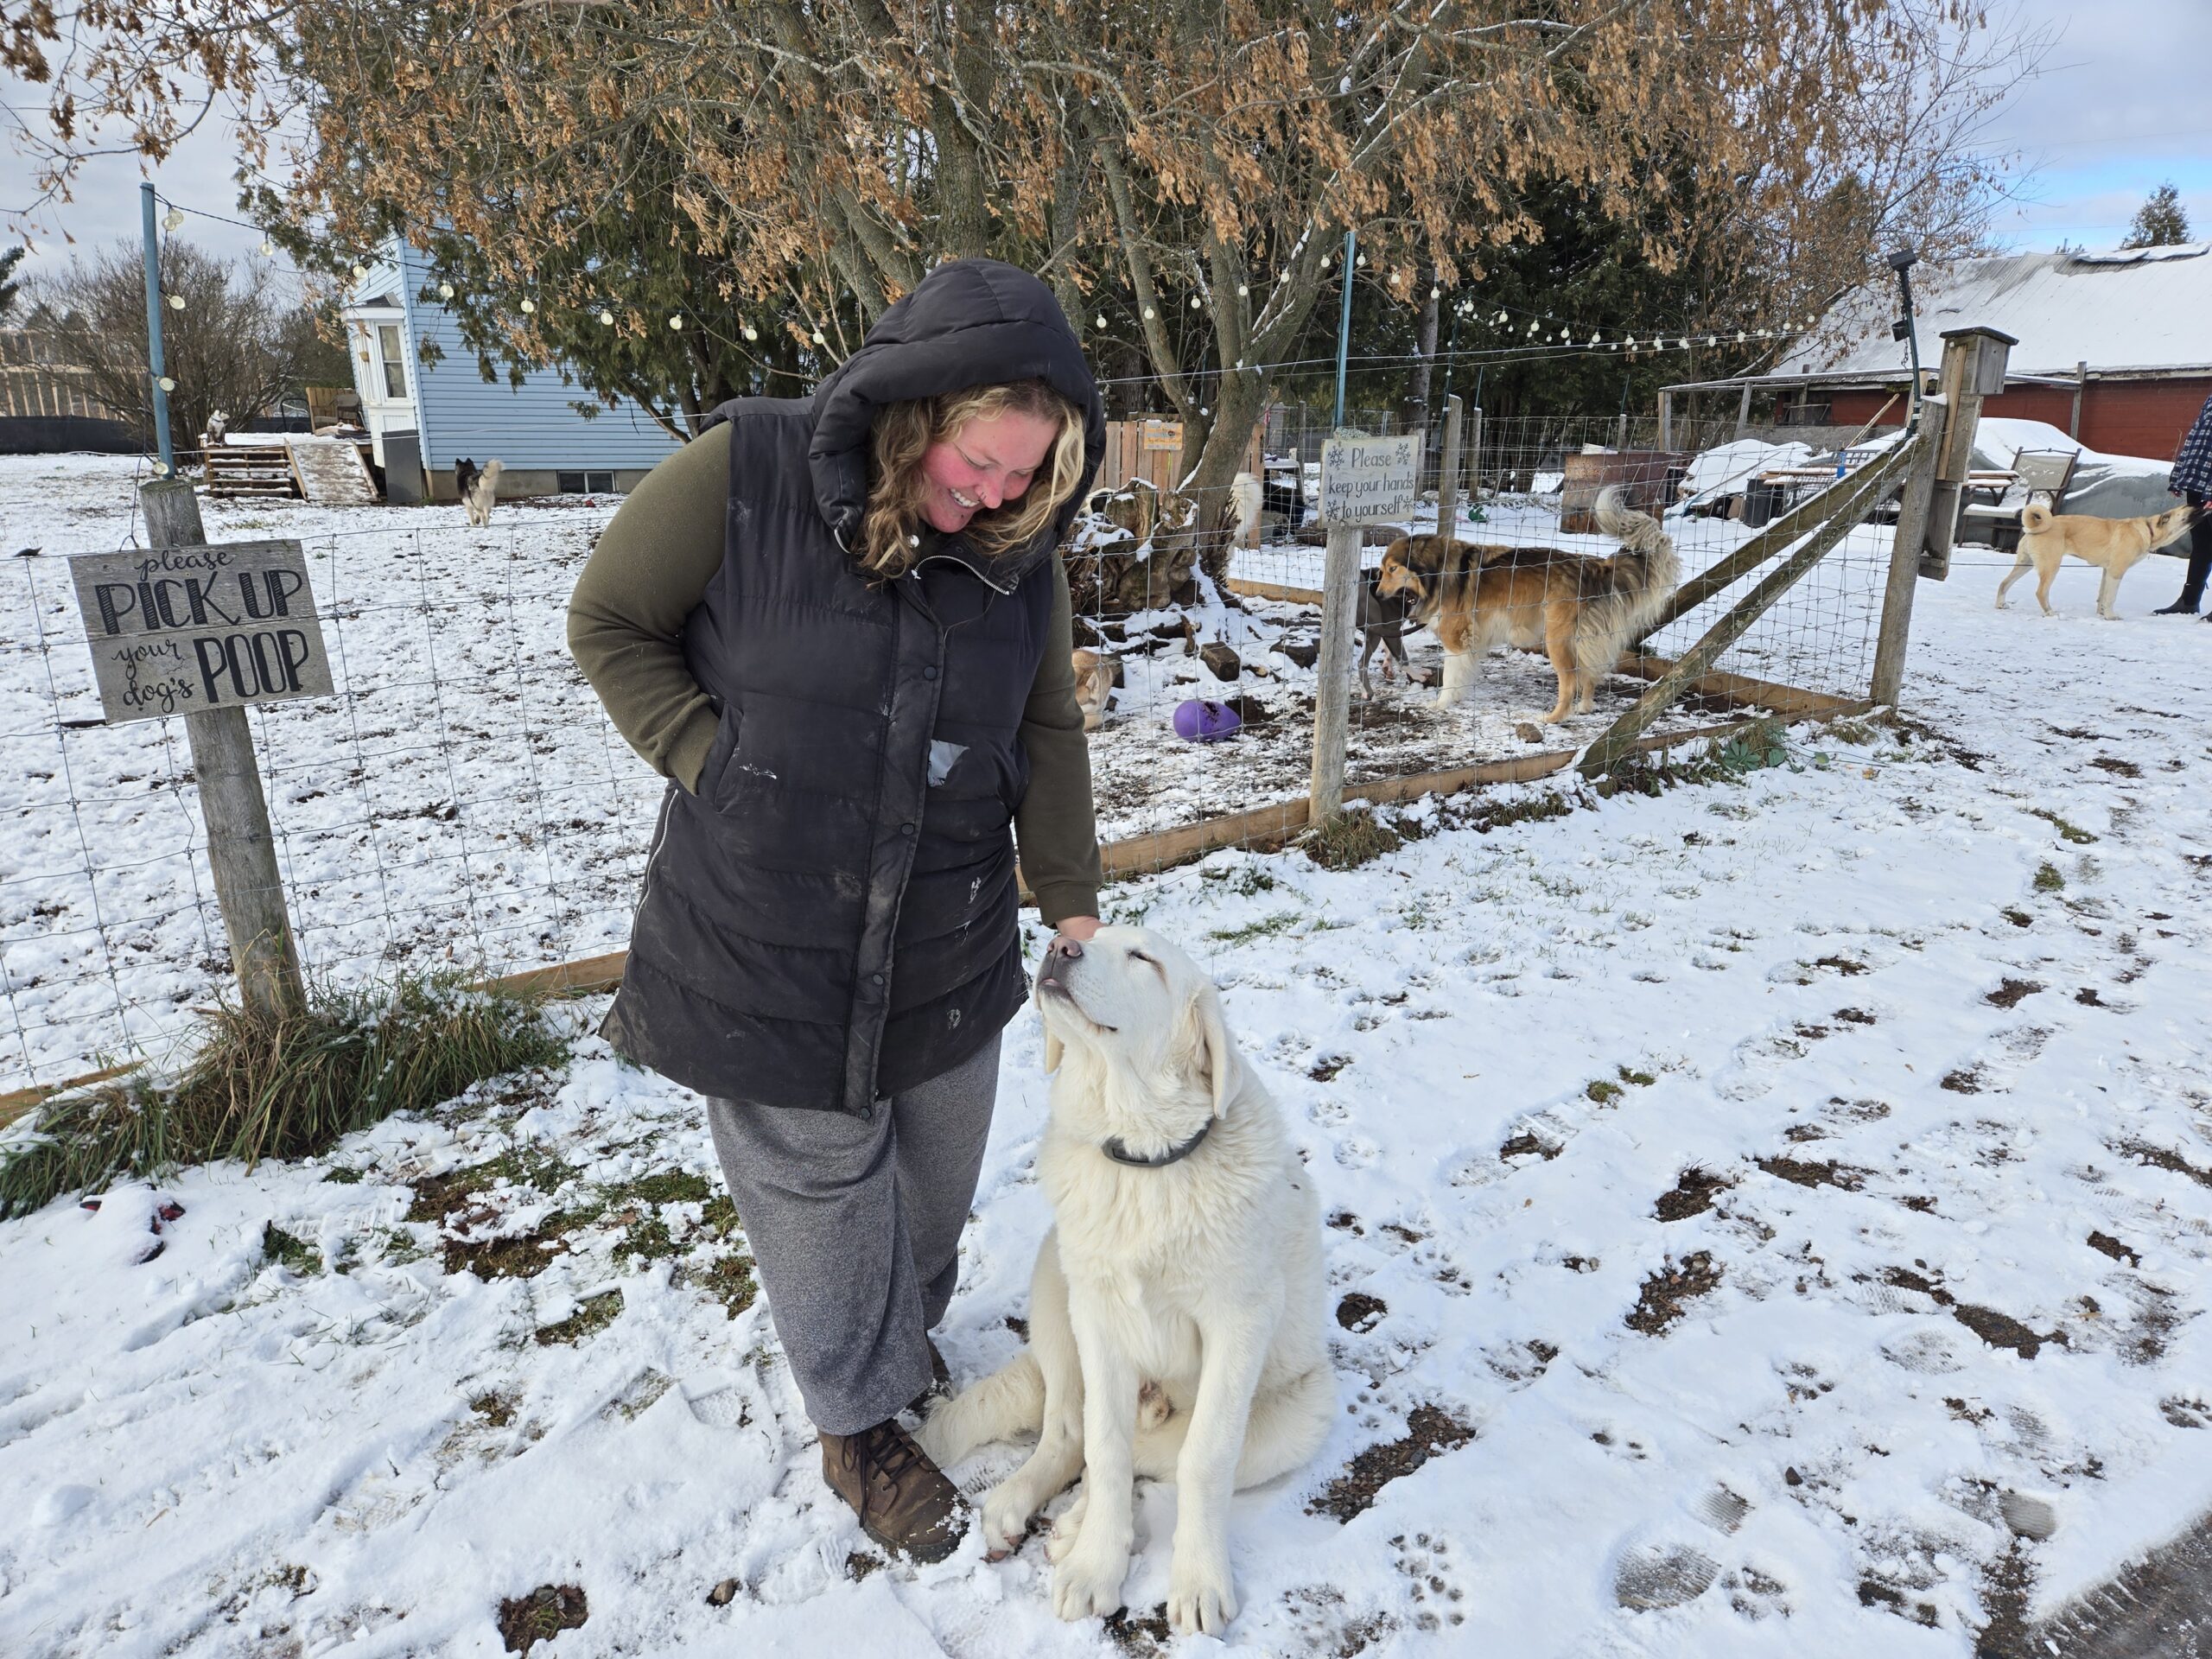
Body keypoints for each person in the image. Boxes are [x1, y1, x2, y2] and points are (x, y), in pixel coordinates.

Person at [567, 259, 1106, 1562]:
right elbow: (610, 619)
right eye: (981, 461)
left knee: (934, 1166)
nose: (1000, 495)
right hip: (769, 923)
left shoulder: (1018, 554)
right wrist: (714, 761)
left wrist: (1072, 899)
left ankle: (888, 1337)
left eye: (1027, 475)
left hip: (950, 921)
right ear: (917, 411)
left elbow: (1045, 722)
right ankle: (856, 1426)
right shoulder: (745, 473)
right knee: (817, 1175)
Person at [2153, 388, 2212, 617]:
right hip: (2197, 483)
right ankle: (2189, 601)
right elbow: (2194, 439)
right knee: (2202, 543)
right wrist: (2178, 476)